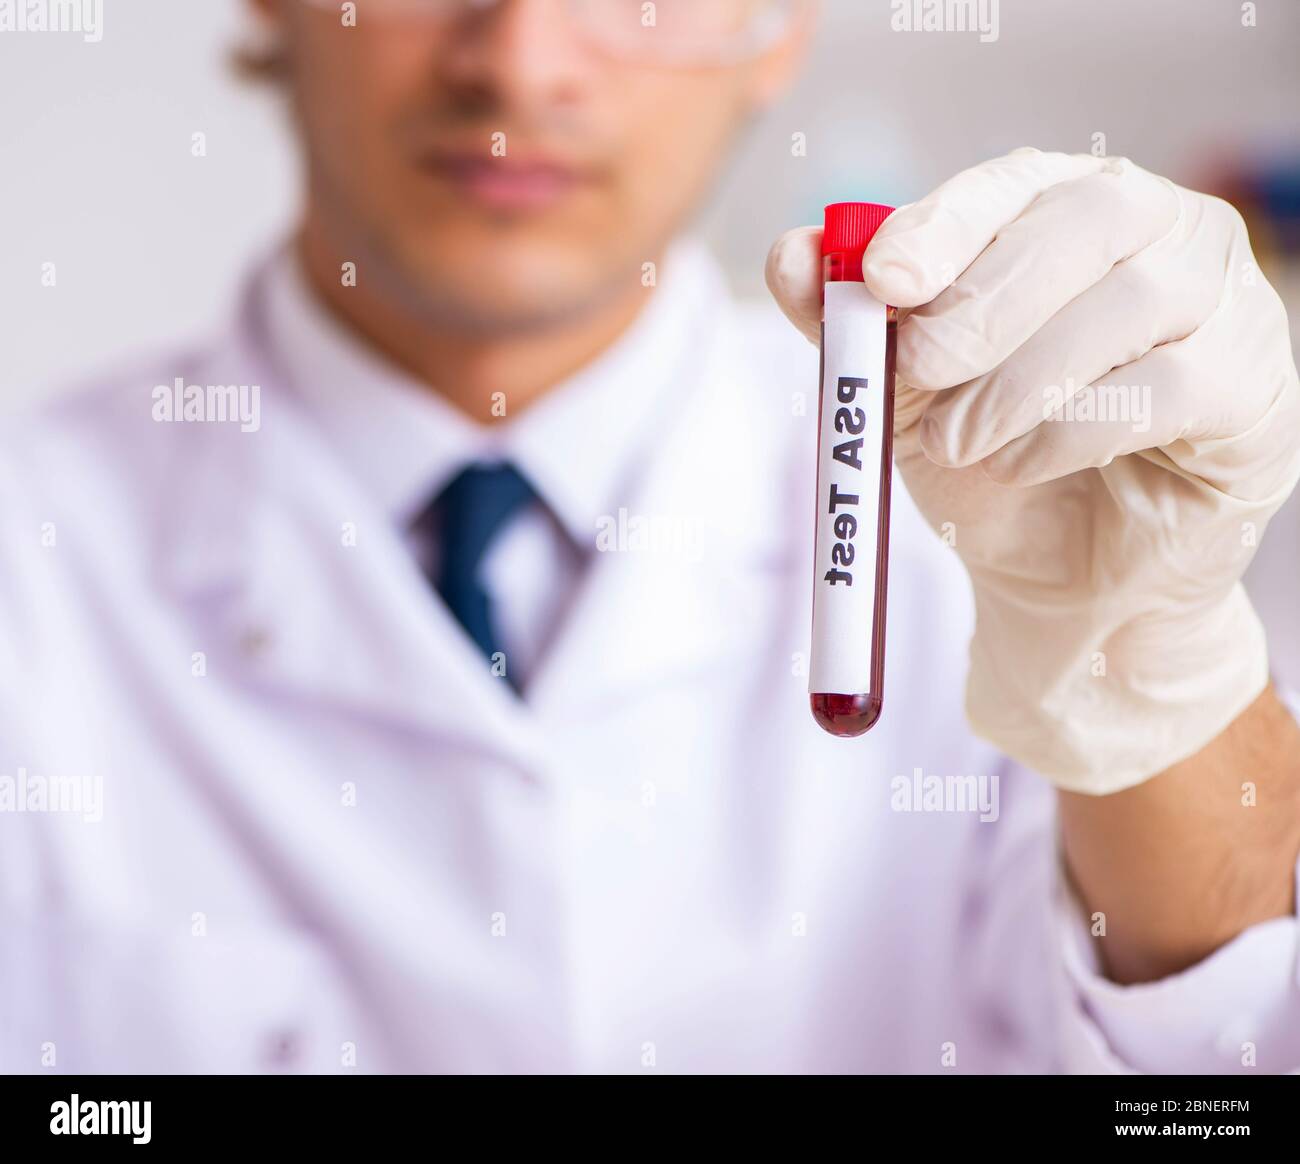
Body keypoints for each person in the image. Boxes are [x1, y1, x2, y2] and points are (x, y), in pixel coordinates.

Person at [2, 0, 1298, 1074]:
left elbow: (1211, 1087)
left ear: (778, 27)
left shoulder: (1006, 491)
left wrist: (1156, 677)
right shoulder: (34, 556)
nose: (519, 58)